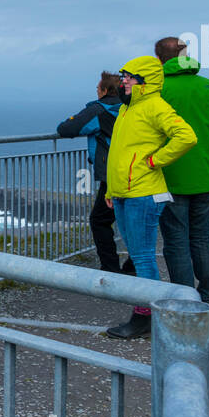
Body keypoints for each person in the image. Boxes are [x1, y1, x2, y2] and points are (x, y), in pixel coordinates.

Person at [103, 56, 197, 339]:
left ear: (145, 81)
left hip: (143, 194)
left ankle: (145, 318)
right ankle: (147, 315)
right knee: (137, 255)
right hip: (124, 193)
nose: (124, 81)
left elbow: (186, 136)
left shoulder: (155, 105)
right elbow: (120, 151)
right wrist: (110, 190)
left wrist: (156, 160)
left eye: (130, 77)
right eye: (123, 76)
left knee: (143, 258)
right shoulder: (127, 108)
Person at [155, 36, 209, 313]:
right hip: (205, 177)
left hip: (169, 178)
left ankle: (186, 302)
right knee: (202, 238)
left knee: (175, 241)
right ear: (185, 54)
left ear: (159, 59)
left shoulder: (158, 88)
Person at [57, 71, 134, 275]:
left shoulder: (100, 110)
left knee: (99, 220)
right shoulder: (131, 107)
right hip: (137, 171)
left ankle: (112, 269)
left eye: (98, 88)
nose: (97, 91)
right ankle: (131, 267)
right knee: (132, 222)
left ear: (105, 90)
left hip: (113, 174)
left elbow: (66, 128)